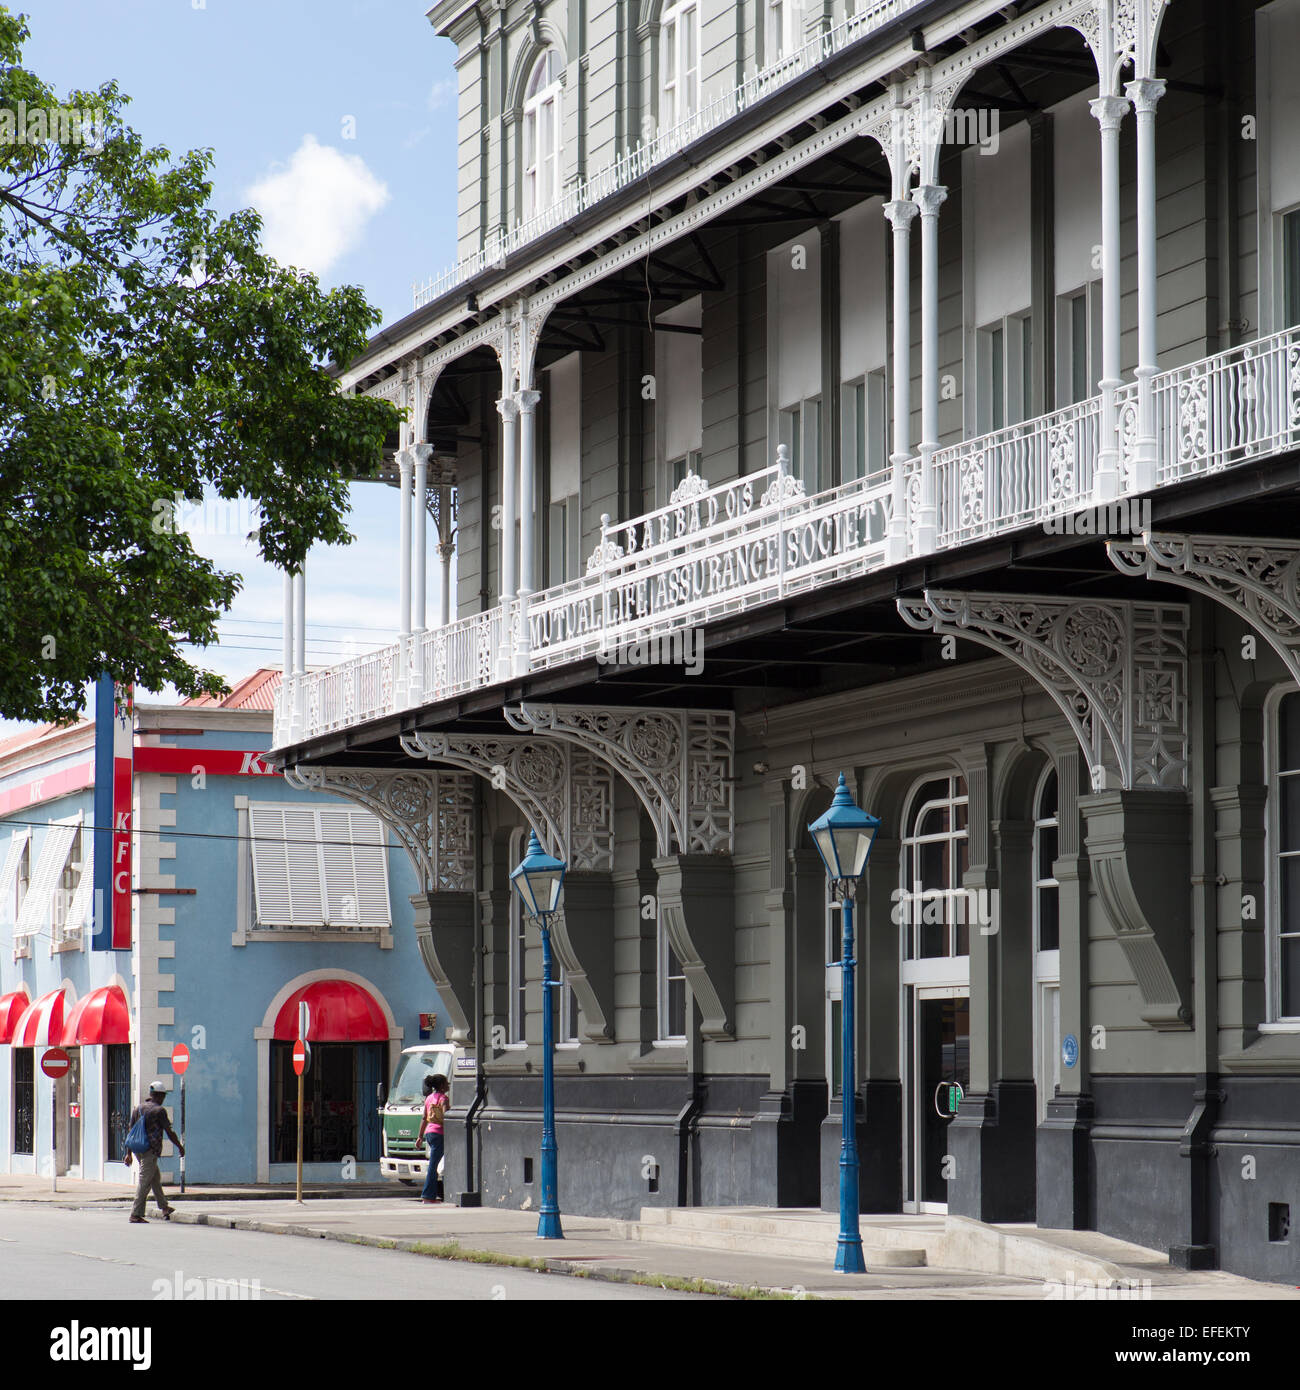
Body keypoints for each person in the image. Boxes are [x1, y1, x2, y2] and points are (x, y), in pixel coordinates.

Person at [124, 1080, 184, 1223]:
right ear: (159, 1096)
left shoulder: (138, 1108)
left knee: (155, 1178)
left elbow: (130, 1131)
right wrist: (180, 1147)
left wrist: (128, 1153)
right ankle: (135, 1214)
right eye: (163, 1096)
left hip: (138, 1149)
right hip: (150, 1150)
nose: (163, 1099)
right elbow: (169, 1132)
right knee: (145, 1182)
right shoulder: (159, 1111)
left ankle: (164, 1207)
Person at [415, 1073, 449, 1205]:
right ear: (441, 1086)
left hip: (429, 1133)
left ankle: (432, 1194)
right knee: (433, 1165)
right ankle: (428, 1196)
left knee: (434, 1164)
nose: (448, 1085)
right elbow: (446, 1116)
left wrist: (419, 1137)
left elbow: (424, 1118)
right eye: (446, 1083)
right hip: (440, 1134)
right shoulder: (443, 1098)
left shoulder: (429, 1098)